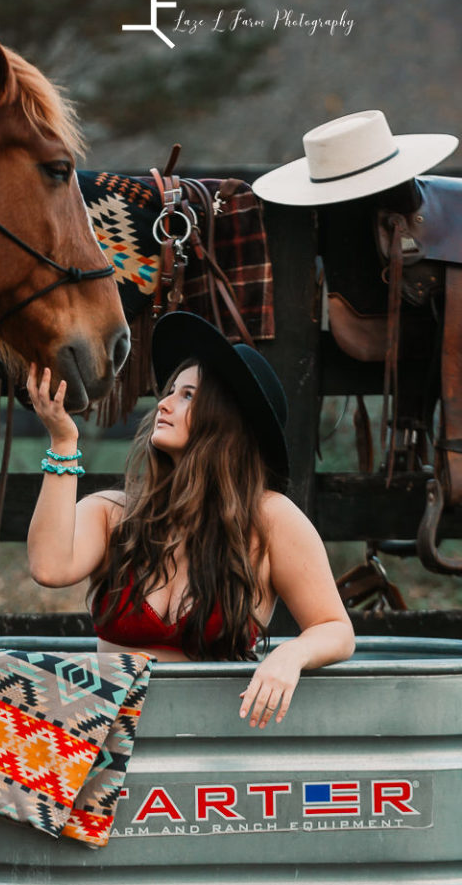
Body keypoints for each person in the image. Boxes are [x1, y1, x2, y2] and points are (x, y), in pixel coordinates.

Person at [26, 311, 355, 731]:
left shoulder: (270, 518)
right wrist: (63, 441)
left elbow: (335, 629)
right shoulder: (114, 513)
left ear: (227, 417)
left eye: (187, 395)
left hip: (213, 738)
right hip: (110, 738)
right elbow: (49, 568)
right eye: (169, 392)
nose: (163, 404)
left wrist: (291, 654)